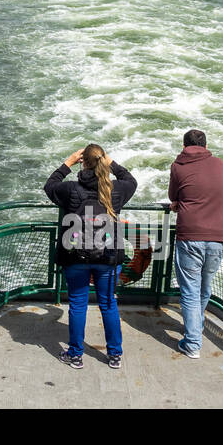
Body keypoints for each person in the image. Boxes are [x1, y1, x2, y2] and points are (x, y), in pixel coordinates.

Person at [44, 144, 137, 369]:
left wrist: (67, 163)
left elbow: (50, 186)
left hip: (76, 254)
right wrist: (111, 163)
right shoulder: (116, 189)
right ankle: (114, 355)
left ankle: (75, 355)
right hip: (108, 255)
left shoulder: (71, 190)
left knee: (78, 305)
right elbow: (131, 181)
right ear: (102, 162)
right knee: (107, 304)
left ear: (82, 162)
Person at [166, 129, 223, 358]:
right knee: (204, 286)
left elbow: (174, 196)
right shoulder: (221, 165)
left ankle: (193, 343)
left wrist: (178, 204)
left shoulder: (178, 166)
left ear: (185, 146)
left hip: (190, 234)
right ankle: (197, 327)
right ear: (205, 145)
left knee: (190, 290)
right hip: (218, 235)